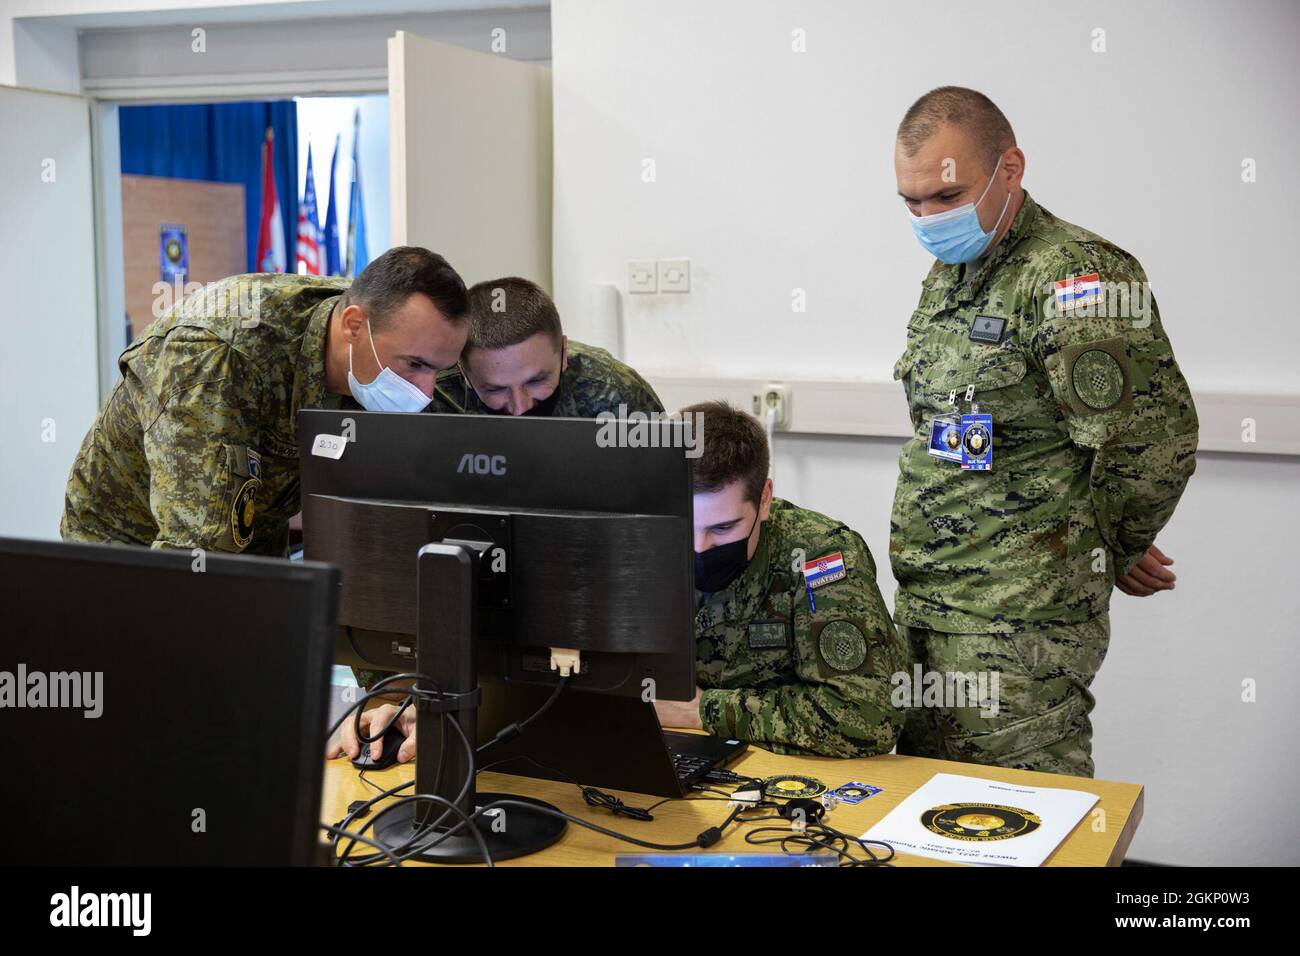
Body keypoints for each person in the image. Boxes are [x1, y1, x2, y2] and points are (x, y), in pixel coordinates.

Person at [890, 87, 1198, 776]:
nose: (928, 218)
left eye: (946, 197)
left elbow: (1148, 444)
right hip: (927, 611)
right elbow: (947, 429)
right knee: (925, 822)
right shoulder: (951, 276)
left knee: (1023, 821)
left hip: (1020, 624)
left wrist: (1112, 545)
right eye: (911, 203)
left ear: (1010, 169)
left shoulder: (1074, 277)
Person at [61, 246, 469, 556]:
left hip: (253, 539)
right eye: (415, 366)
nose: (426, 391)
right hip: (129, 549)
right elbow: (197, 553)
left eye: (438, 369)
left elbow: (425, 511)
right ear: (353, 327)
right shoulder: (216, 354)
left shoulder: (412, 337)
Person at [652, 401, 909, 758]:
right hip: (673, 754)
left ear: (765, 499)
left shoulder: (821, 558)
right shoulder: (640, 538)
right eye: (683, 522)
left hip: (787, 771)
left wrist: (704, 710)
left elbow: (865, 717)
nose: (699, 546)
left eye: (723, 528)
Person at [425, 276, 663, 417]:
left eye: (536, 381)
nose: (520, 406)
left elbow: (668, 483)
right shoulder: (431, 395)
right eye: (496, 389)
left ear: (563, 353)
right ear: (463, 370)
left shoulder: (615, 390)